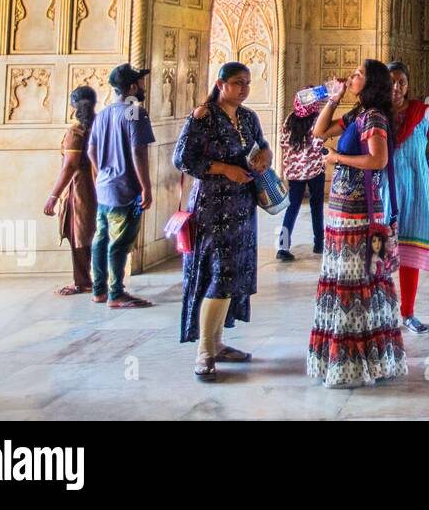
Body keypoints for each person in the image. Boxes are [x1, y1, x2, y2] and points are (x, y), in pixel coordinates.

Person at [307, 60, 406, 389]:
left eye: (359, 74)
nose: (352, 77)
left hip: (359, 215)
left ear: (372, 82)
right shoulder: (358, 115)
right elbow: (319, 131)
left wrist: (337, 158)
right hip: (341, 212)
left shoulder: (374, 117)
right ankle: (354, 360)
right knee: (344, 284)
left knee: (356, 287)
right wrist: (334, 98)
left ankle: (356, 363)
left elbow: (379, 160)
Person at [174, 62, 272, 381]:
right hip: (212, 207)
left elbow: (262, 147)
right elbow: (184, 159)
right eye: (237, 83)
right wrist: (222, 169)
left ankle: (217, 342)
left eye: (247, 82)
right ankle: (204, 351)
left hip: (242, 204)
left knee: (231, 273)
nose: (243, 88)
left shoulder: (247, 117)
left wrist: (265, 157)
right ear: (221, 84)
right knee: (218, 273)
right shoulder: (204, 116)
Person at [385, 61, 429, 335]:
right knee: (381, 253)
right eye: (391, 82)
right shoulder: (376, 113)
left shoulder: (422, 112)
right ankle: (381, 311)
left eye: (402, 82)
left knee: (409, 251)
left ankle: (408, 312)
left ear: (408, 84)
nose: (397, 87)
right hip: (385, 191)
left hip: (414, 190)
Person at [87, 64, 155, 309]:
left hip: (105, 187)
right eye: (141, 82)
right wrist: (145, 186)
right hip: (125, 189)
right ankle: (116, 293)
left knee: (101, 238)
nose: (144, 87)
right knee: (120, 242)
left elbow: (91, 150)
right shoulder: (134, 113)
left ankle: (99, 290)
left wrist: (103, 172)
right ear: (132, 87)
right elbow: (138, 151)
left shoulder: (104, 114)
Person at [44, 86, 99, 296]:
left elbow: (70, 166)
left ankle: (83, 281)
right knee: (95, 233)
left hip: (81, 189)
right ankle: (96, 279)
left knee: (80, 235)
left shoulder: (76, 131)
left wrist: (53, 196)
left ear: (72, 106)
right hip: (102, 186)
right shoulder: (100, 126)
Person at [276, 94, 327, 262]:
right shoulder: (316, 120)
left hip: (294, 172)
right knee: (316, 206)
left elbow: (283, 143)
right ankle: (319, 243)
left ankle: (283, 247)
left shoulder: (290, 119)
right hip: (315, 170)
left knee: (292, 207)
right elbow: (319, 144)